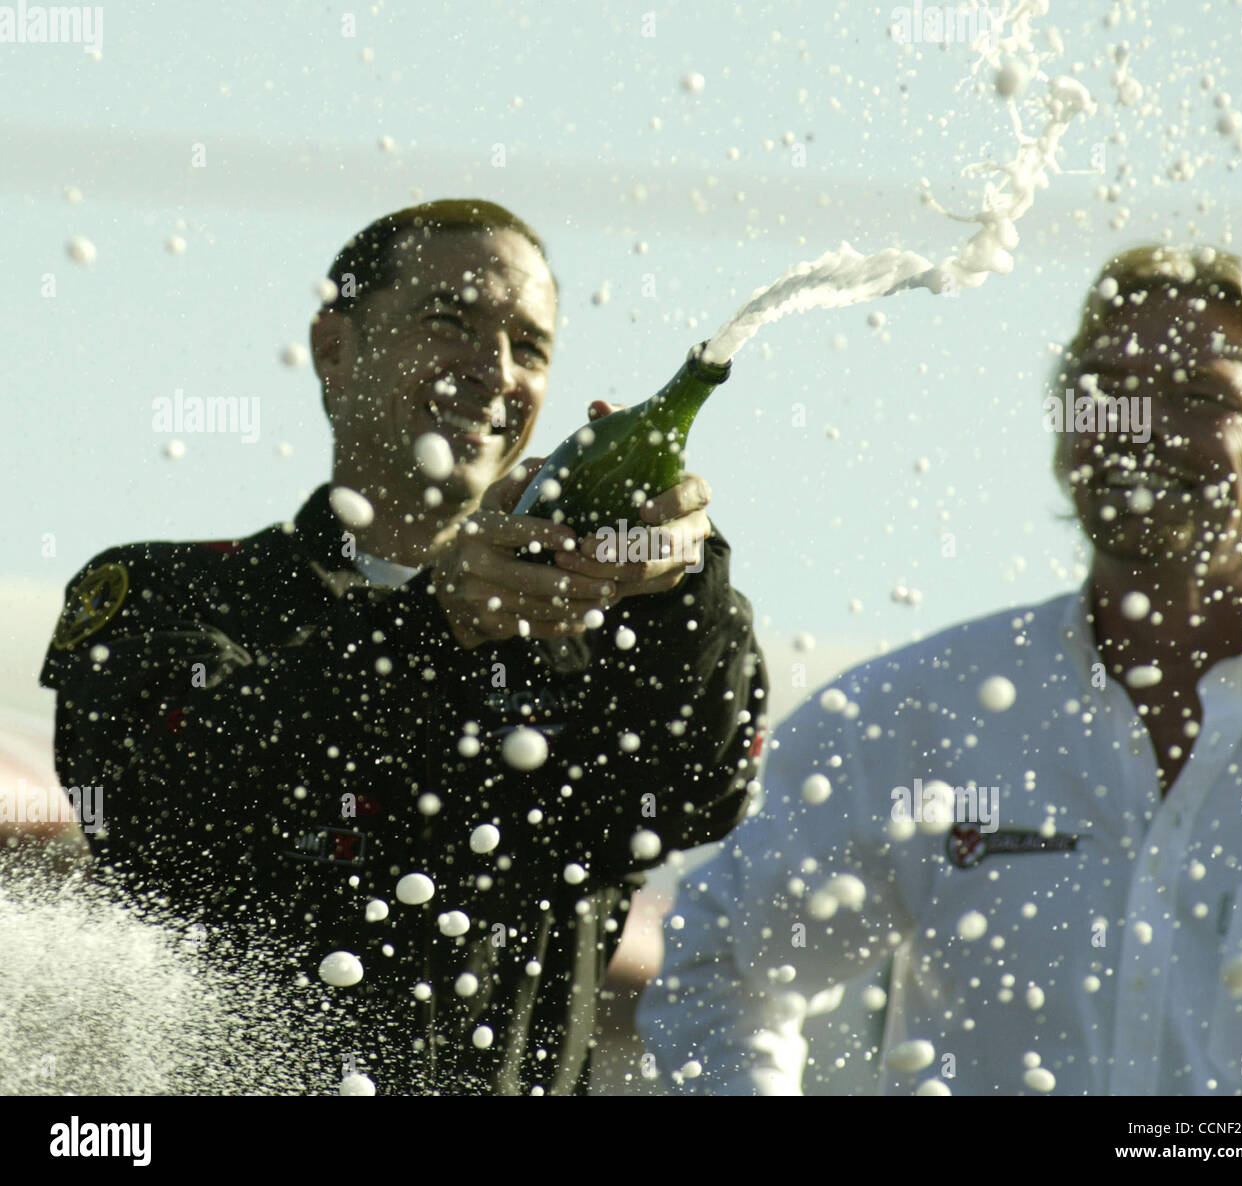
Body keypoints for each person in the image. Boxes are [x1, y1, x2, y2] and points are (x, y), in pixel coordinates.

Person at [40, 199, 768, 1095]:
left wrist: (686, 585)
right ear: (335, 350)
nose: (494, 370)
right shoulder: (174, 594)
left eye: (529, 348)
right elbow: (169, 813)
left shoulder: (595, 639)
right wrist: (432, 625)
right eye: (449, 321)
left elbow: (699, 795)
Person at [638, 244, 1242, 1096]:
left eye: (1200, 396)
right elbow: (720, 963)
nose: (1137, 423)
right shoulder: (931, 711)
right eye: (1105, 388)